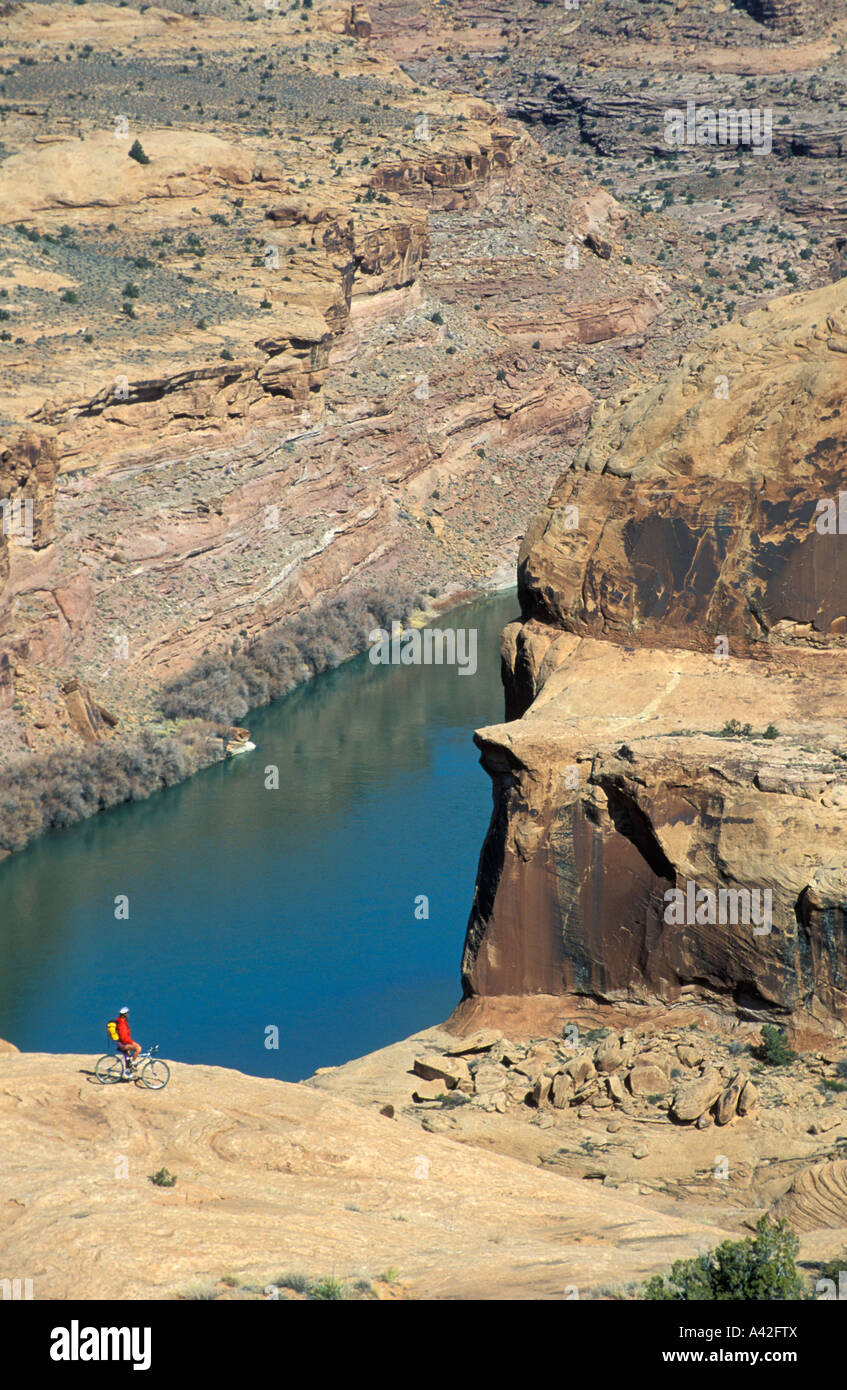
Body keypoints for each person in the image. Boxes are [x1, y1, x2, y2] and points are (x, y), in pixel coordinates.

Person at [116, 1006, 141, 1077]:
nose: (128, 1015)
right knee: (138, 1048)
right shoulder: (122, 1023)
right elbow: (124, 1037)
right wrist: (132, 1042)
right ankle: (133, 1064)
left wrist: (131, 1042)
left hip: (122, 1043)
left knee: (128, 1056)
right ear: (125, 1014)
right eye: (127, 1013)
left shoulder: (122, 1022)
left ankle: (128, 1073)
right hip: (122, 1043)